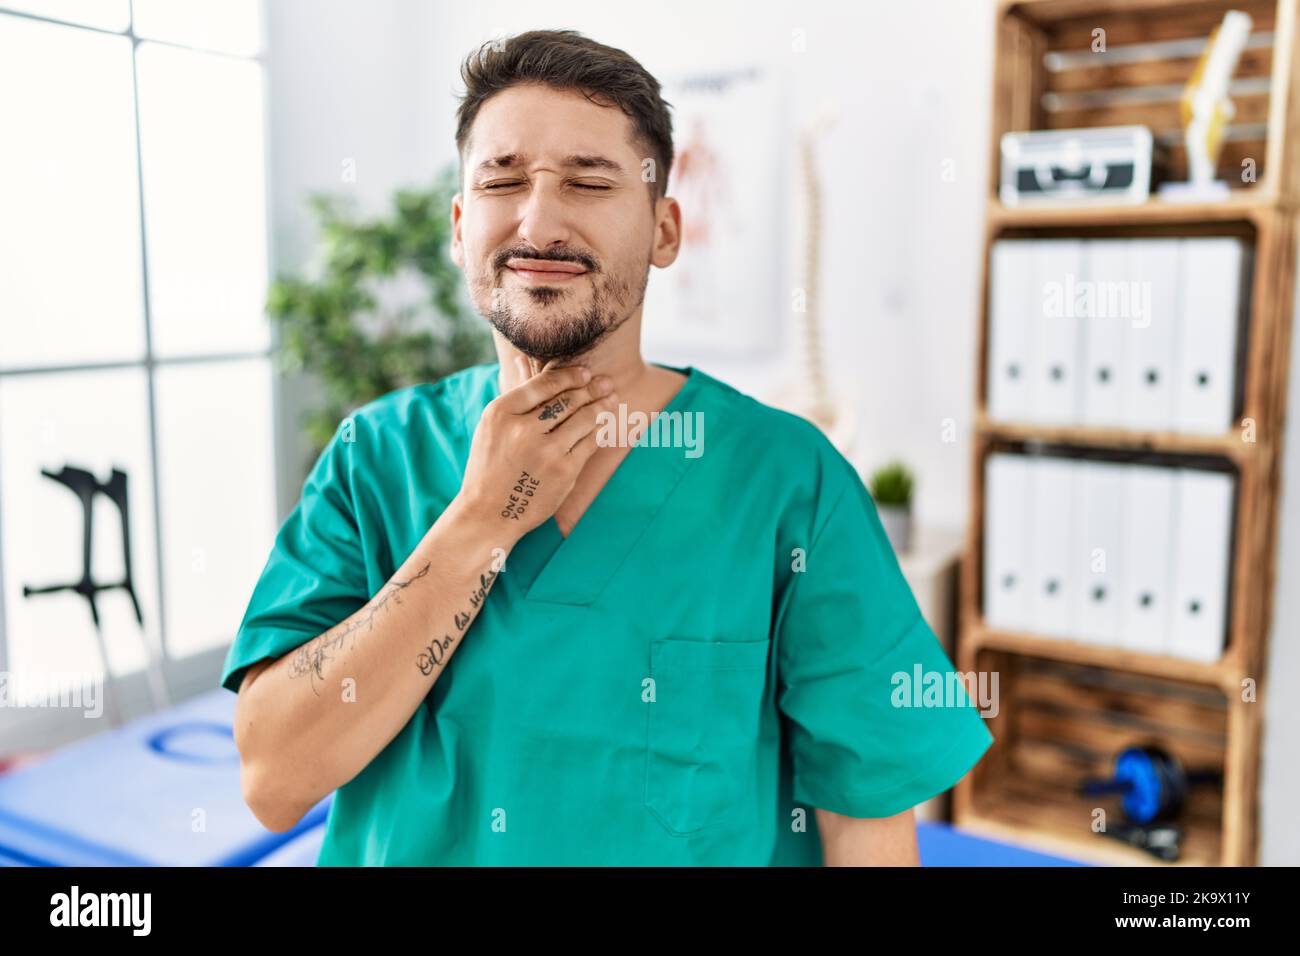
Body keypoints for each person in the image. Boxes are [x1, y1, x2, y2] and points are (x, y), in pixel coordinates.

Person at [223, 28, 993, 866]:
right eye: (502, 180)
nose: (539, 219)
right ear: (457, 227)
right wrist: (481, 522)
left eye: (589, 182)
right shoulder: (374, 459)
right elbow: (274, 778)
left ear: (665, 230)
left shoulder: (788, 482)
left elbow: (865, 811)